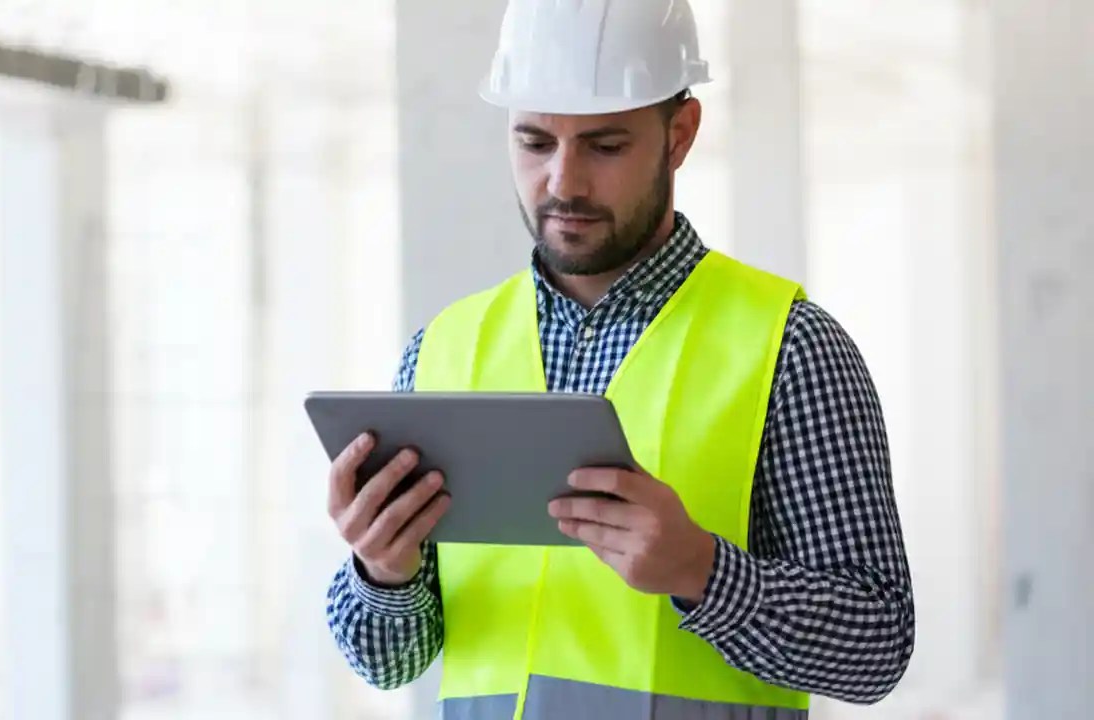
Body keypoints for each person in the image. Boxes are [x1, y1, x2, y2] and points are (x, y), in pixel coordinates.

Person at [324, 0, 915, 717]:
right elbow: (389, 663)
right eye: (535, 143)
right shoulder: (443, 349)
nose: (564, 183)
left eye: (605, 146)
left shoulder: (789, 348)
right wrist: (383, 571)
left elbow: (878, 647)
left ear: (680, 134)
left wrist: (703, 571)